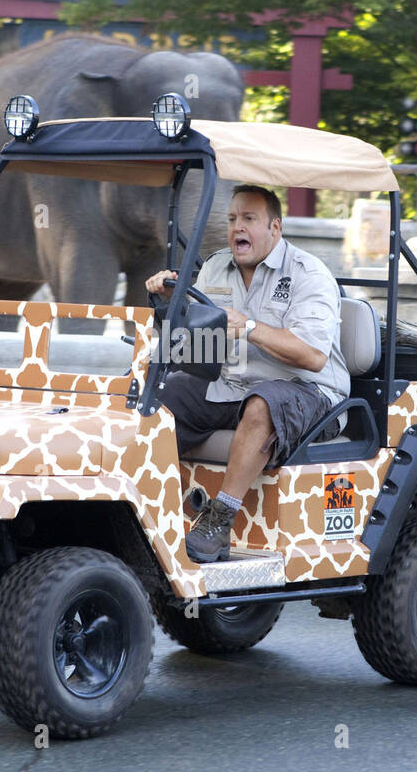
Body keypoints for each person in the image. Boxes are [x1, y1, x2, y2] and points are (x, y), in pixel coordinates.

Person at [146, 184, 350, 562]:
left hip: (310, 391)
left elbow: (313, 356)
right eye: (232, 219)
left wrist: (251, 327)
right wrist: (170, 304)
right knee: (160, 395)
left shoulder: (308, 273)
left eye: (249, 219)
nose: (237, 227)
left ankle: (218, 522)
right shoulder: (215, 267)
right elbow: (195, 343)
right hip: (233, 383)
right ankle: (146, 509)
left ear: (275, 227)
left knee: (261, 405)